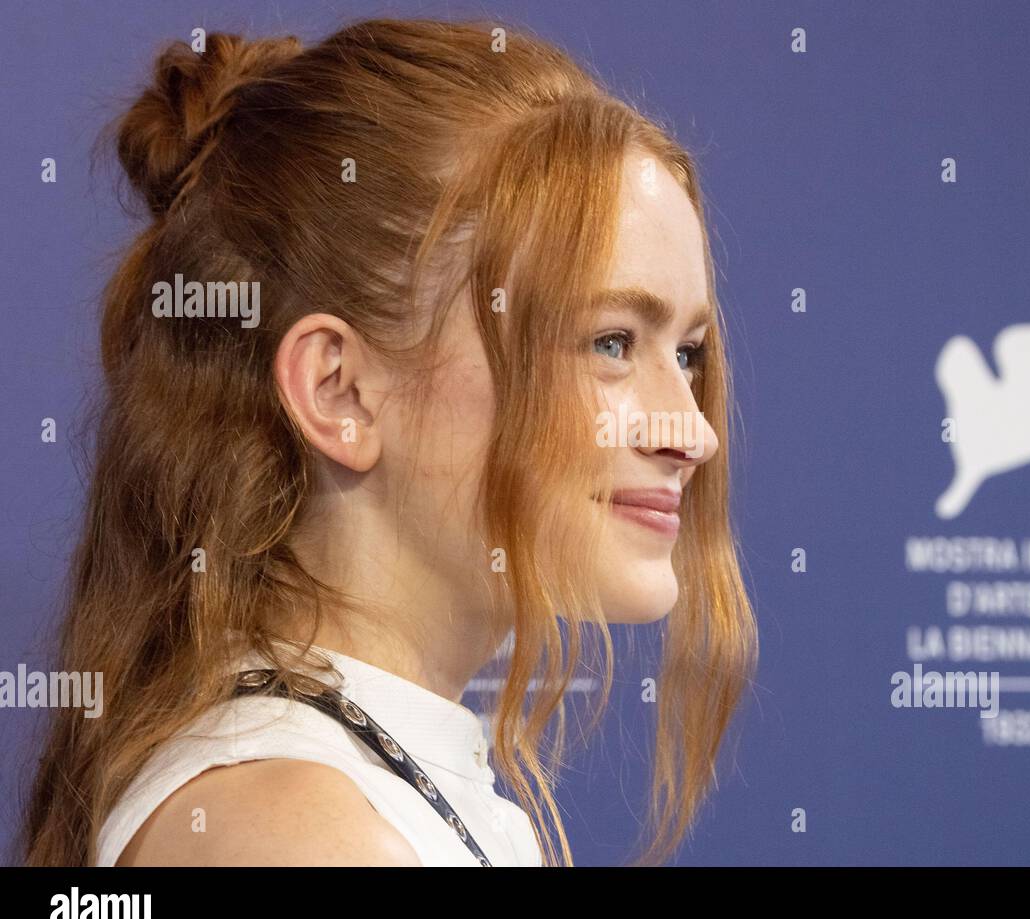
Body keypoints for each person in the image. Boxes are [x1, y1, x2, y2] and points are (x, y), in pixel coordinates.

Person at [20, 16, 757, 867]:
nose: (692, 432)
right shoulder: (300, 834)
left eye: (688, 353)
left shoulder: (354, 794)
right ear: (340, 389)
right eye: (611, 341)